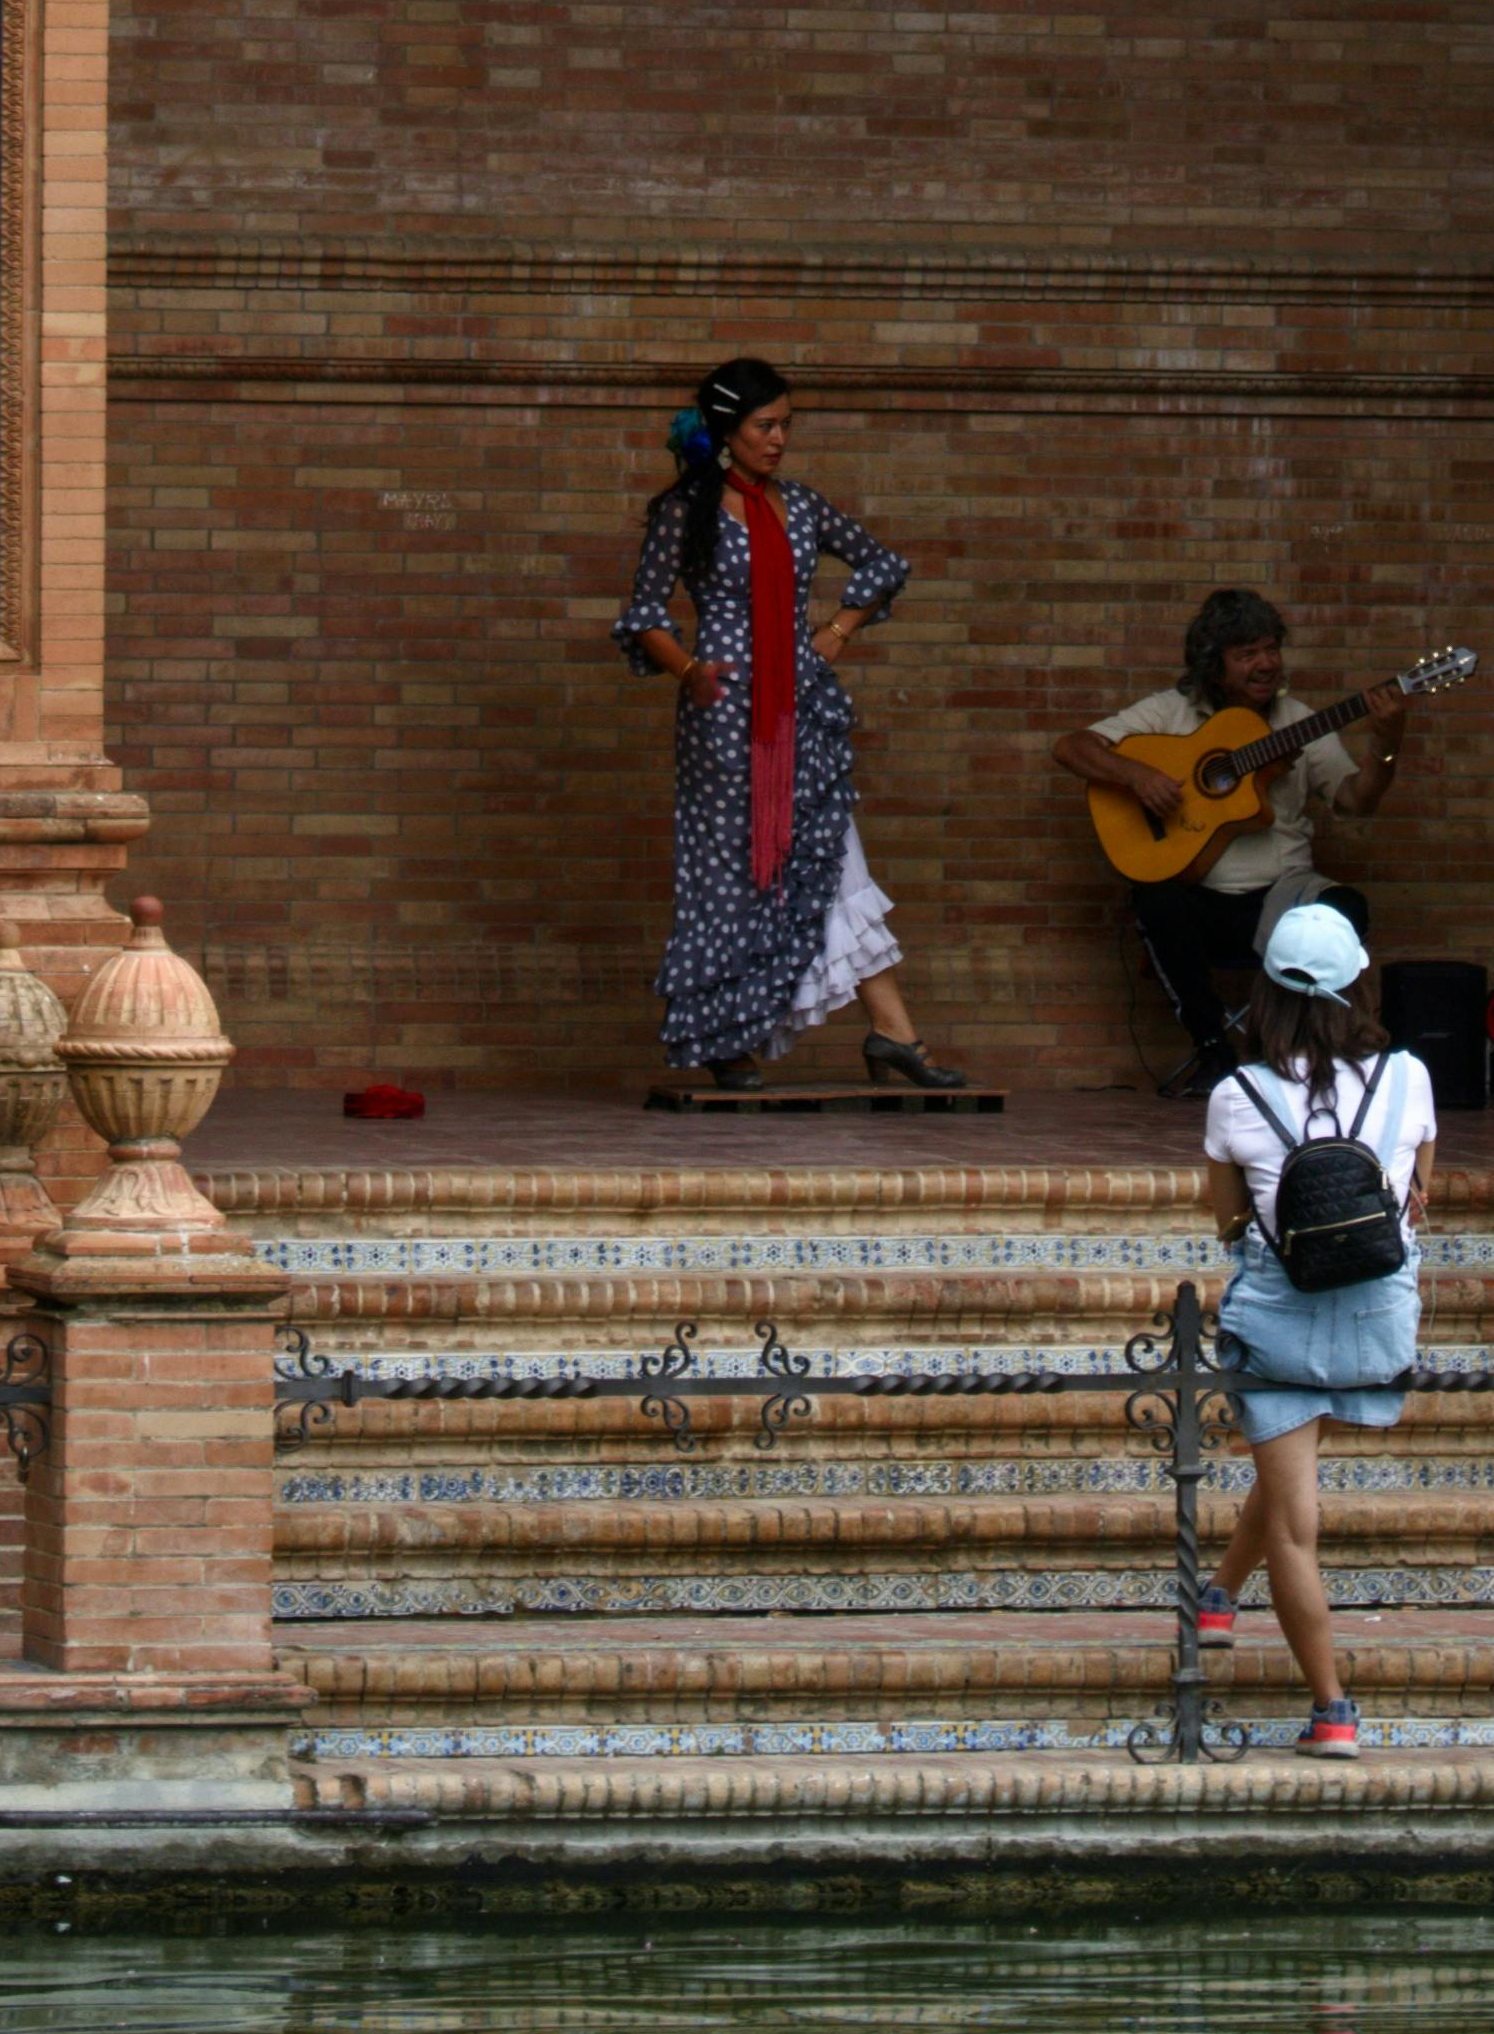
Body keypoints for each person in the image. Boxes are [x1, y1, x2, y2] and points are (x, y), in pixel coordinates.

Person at [615, 360, 970, 1098]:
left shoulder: (802, 506)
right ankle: (726, 1037)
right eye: (764, 426)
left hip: (800, 711)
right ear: (726, 432)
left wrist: (837, 629)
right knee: (726, 877)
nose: (778, 439)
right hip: (724, 721)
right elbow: (644, 614)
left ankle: (892, 1032)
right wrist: (690, 673)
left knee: (834, 856)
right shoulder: (688, 510)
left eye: (786, 425)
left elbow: (881, 561)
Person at [1197, 898, 1436, 1755]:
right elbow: (1417, 1199)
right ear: (1357, 987)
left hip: (1279, 1319)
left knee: (1296, 1520)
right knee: (1287, 1468)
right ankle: (1218, 1598)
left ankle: (1333, 1711)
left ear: (1265, 993)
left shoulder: (1236, 1095)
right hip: (1378, 1319)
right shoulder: (1411, 1078)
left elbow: (1226, 1223)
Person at [1054, 591, 1413, 1077]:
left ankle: (1305, 1054)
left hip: (1282, 895)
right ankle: (1214, 1052)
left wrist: (1385, 746)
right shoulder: (1170, 712)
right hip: (1198, 896)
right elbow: (1073, 747)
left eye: (1271, 650)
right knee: (1154, 899)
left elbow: (1356, 802)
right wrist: (1135, 777)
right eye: (1246, 655)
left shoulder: (1300, 722)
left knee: (1346, 910)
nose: (1265, 664)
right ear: (1213, 666)